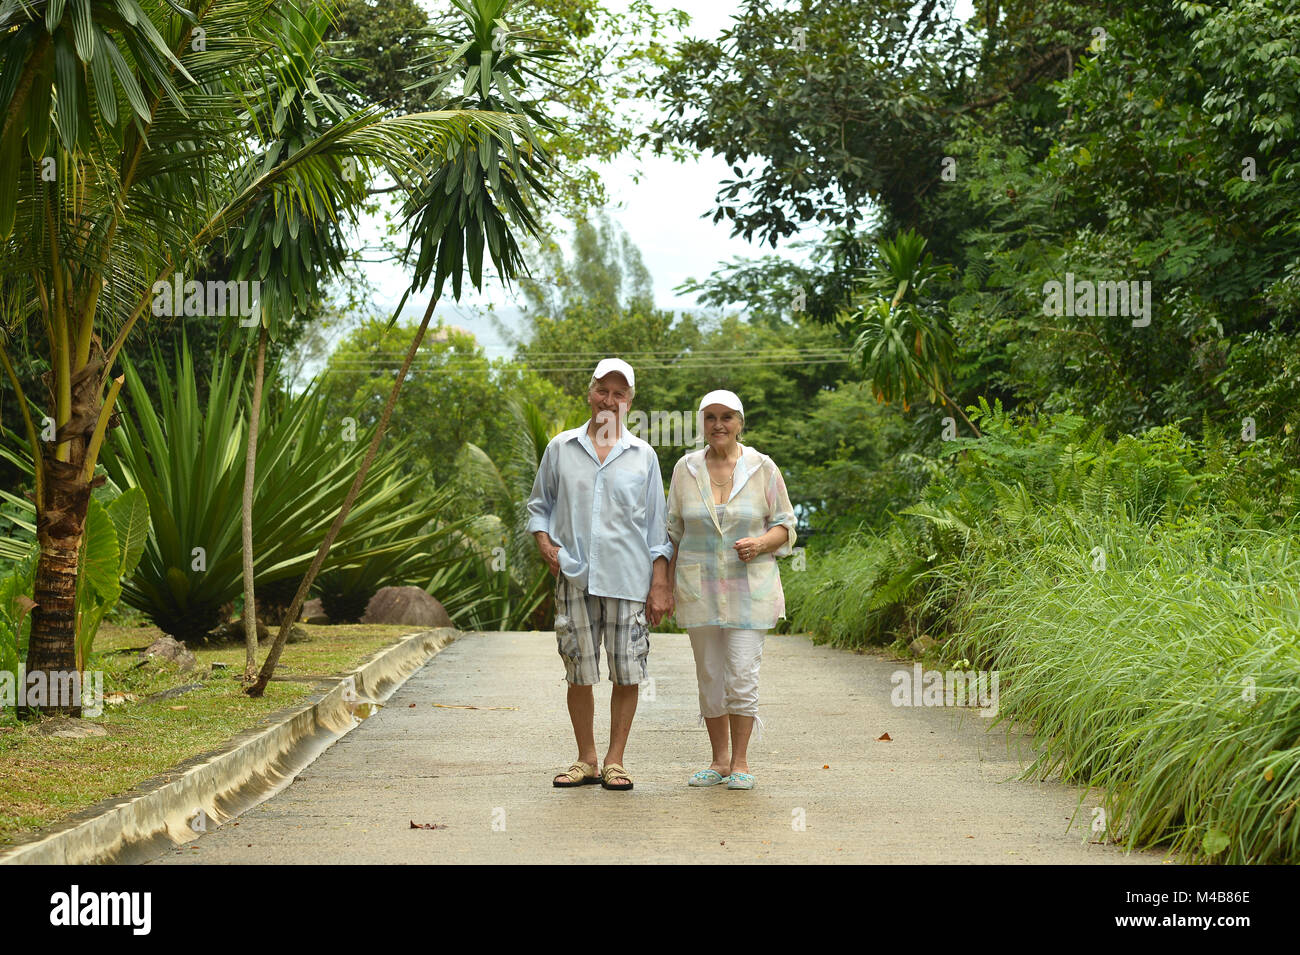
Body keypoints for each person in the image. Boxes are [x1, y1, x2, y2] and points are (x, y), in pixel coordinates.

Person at [525, 358, 673, 791]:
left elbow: (656, 529)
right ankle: (586, 759)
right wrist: (545, 543)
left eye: (619, 394)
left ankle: (615, 761)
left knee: (627, 671)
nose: (609, 400)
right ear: (589, 393)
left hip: (629, 579)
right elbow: (539, 506)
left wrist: (660, 584)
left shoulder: (642, 455)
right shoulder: (561, 448)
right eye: (602, 391)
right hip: (574, 574)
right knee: (579, 670)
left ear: (630, 402)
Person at [666, 389, 796, 791]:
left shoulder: (763, 467)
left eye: (726, 417)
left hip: (749, 589)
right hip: (698, 587)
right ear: (702, 423)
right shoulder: (685, 469)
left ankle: (740, 761)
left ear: (740, 422)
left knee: (742, 674)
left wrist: (760, 544)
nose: (718, 425)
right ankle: (718, 761)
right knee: (709, 675)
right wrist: (662, 586)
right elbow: (672, 531)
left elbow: (786, 524)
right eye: (710, 418)